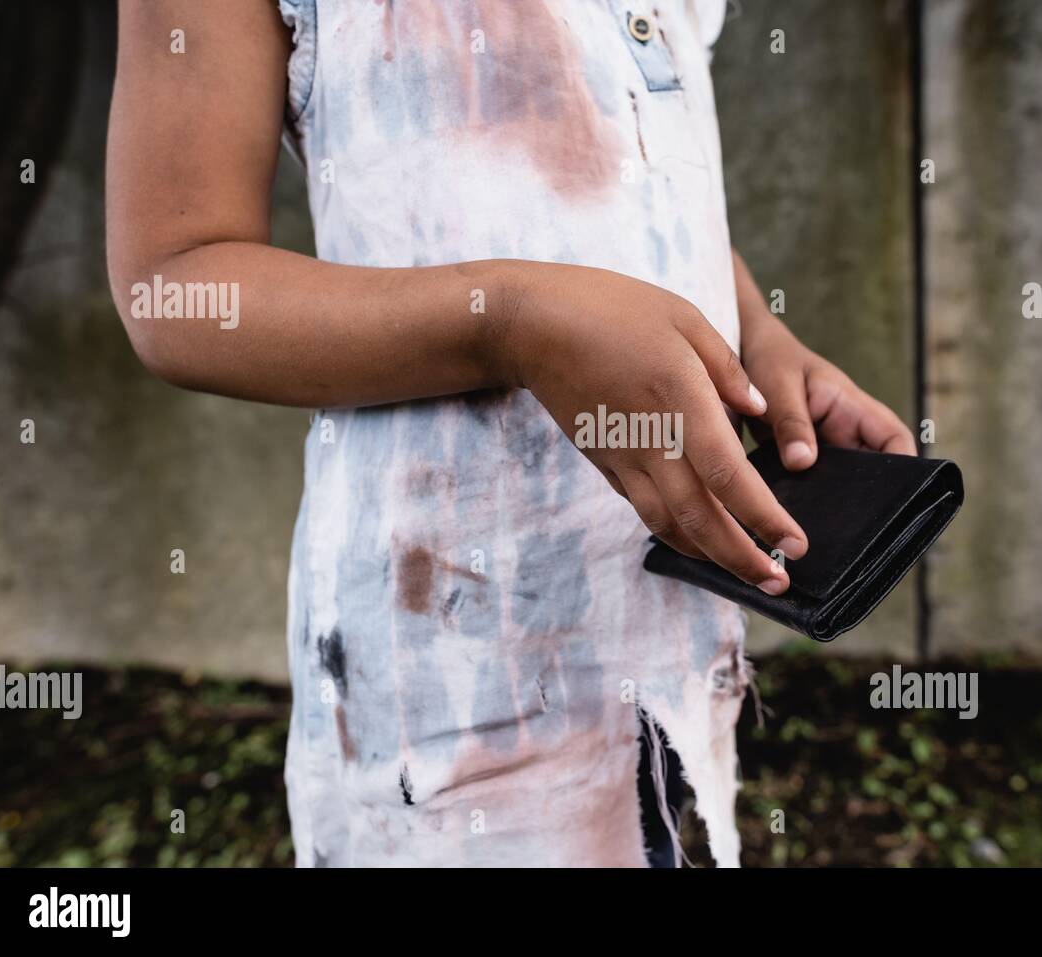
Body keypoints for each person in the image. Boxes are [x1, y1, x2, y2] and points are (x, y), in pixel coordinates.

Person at [106, 0, 916, 867]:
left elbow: (648, 166)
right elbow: (173, 285)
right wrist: (510, 321)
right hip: (447, 686)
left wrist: (757, 341)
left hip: (675, 657)